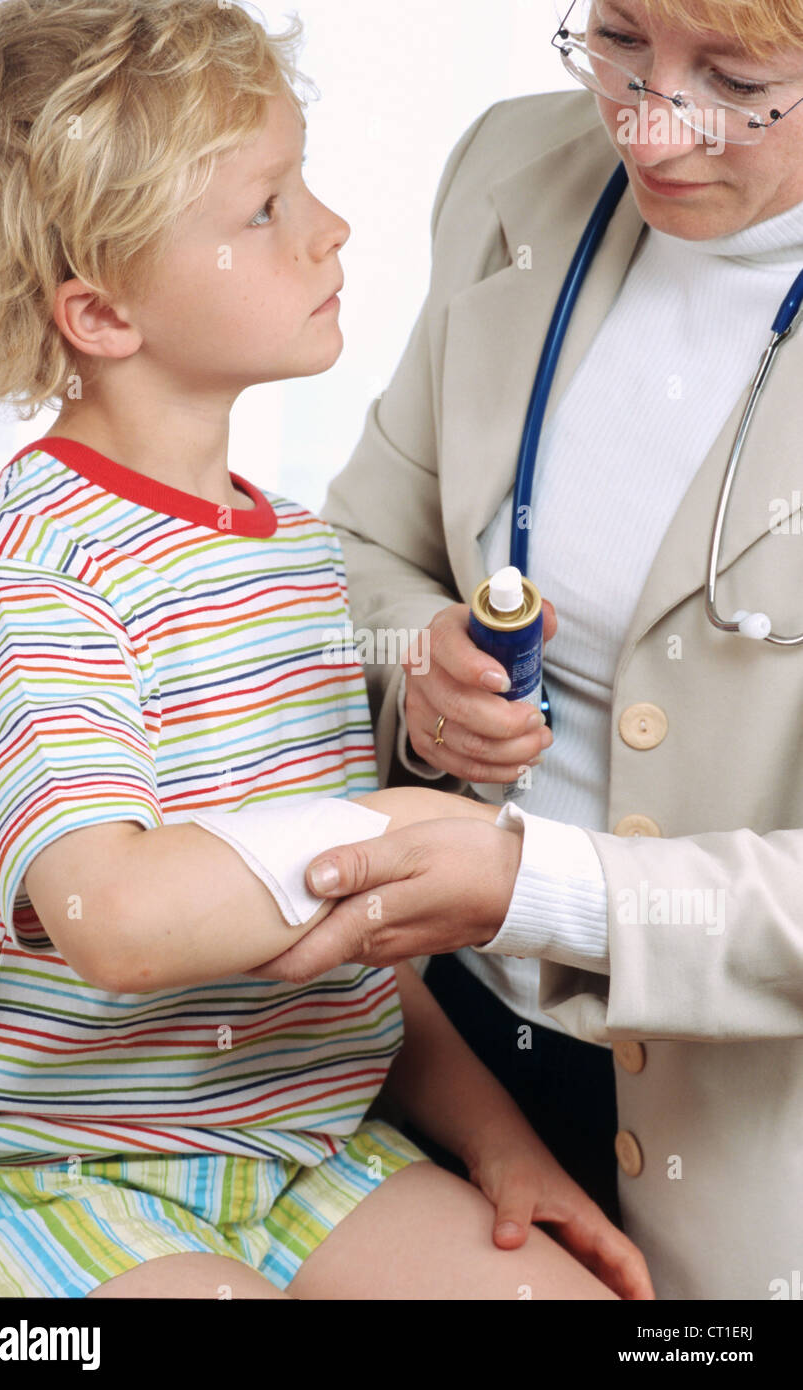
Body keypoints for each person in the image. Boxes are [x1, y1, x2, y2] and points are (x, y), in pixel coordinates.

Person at [0, 0, 653, 1301]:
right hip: (64, 1172)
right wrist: (407, 830)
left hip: (303, 1149)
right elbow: (119, 922)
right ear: (102, 313)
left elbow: (353, 957)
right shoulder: (37, 576)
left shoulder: (294, 550)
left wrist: (504, 1149)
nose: (329, 227)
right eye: (265, 208)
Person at [253, 0, 803, 1300]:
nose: (648, 124)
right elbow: (362, 552)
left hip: (733, 1142)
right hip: (430, 1043)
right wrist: (418, 665)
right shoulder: (513, 169)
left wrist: (542, 886)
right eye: (616, 39)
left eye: (733, 79)